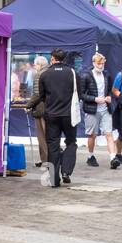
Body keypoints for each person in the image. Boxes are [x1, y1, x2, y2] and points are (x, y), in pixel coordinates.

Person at [35, 48, 79, 186]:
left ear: (52, 59)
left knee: (53, 145)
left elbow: (41, 96)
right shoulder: (73, 73)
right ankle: (66, 171)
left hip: (52, 115)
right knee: (71, 142)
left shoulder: (45, 74)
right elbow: (80, 93)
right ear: (64, 59)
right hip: (69, 115)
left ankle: (54, 179)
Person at [79, 53, 114, 168]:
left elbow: (109, 90)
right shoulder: (86, 76)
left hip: (105, 109)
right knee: (92, 135)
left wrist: (109, 97)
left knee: (109, 134)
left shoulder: (106, 74)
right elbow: (81, 95)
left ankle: (113, 158)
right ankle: (90, 155)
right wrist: (94, 99)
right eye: (99, 63)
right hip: (92, 110)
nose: (101, 65)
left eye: (103, 63)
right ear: (94, 63)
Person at [21, 55, 50, 168]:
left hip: (41, 109)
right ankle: (45, 159)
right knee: (48, 135)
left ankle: (47, 160)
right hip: (51, 108)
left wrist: (28, 105)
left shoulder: (39, 75)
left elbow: (37, 94)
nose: (34, 66)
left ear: (40, 65)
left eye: (35, 64)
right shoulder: (50, 72)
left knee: (42, 136)